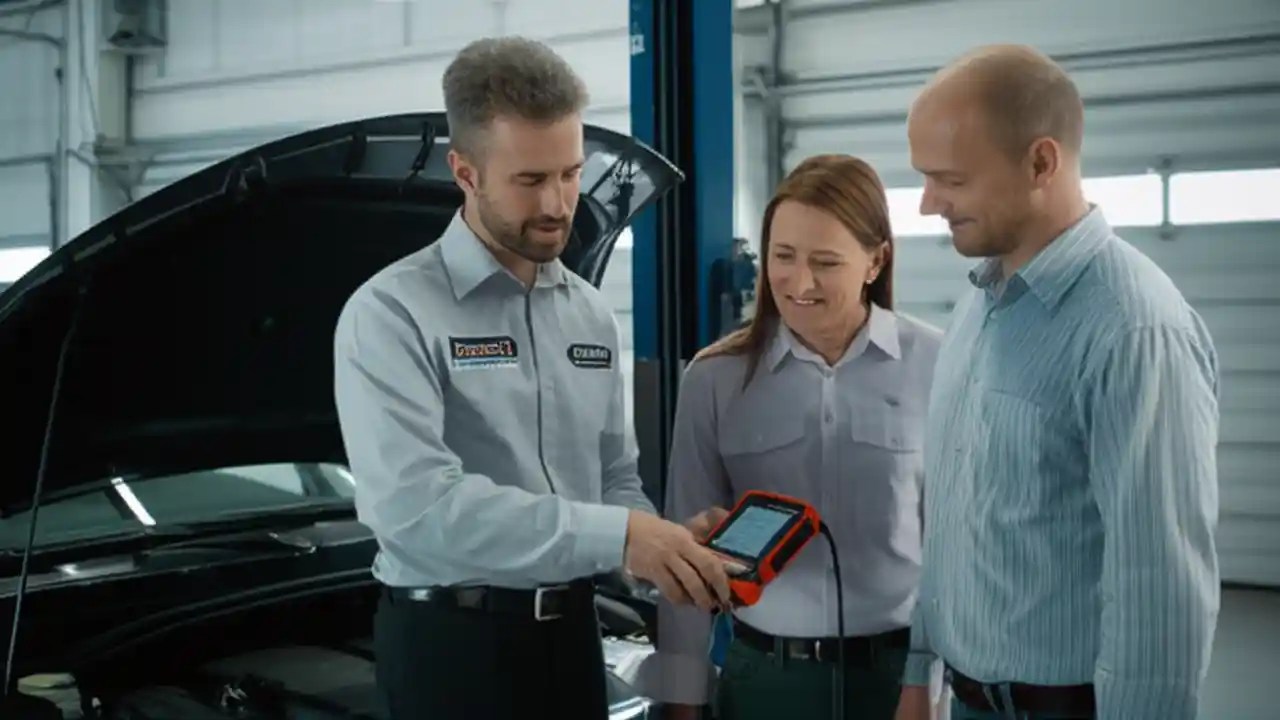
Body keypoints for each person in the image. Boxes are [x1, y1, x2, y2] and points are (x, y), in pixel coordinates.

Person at [332, 36, 732, 720]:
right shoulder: (391, 312)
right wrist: (623, 536)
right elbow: (420, 510)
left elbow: (614, 479)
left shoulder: (589, 314)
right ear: (465, 172)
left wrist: (661, 546)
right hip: (451, 651)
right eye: (529, 180)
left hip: (573, 642)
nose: (557, 203)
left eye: (571, 173)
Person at [900, 44, 1220, 720]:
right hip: (965, 700)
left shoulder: (1134, 330)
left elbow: (1158, 593)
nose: (930, 204)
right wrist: (919, 670)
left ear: (1041, 161)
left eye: (950, 179)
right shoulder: (980, 302)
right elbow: (952, 518)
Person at [653, 154, 944, 720]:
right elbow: (680, 554)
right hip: (763, 680)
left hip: (896, 682)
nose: (800, 282)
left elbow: (953, 548)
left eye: (826, 262)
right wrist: (680, 699)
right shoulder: (715, 378)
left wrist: (926, 683)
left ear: (874, 260)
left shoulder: (937, 362)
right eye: (782, 257)